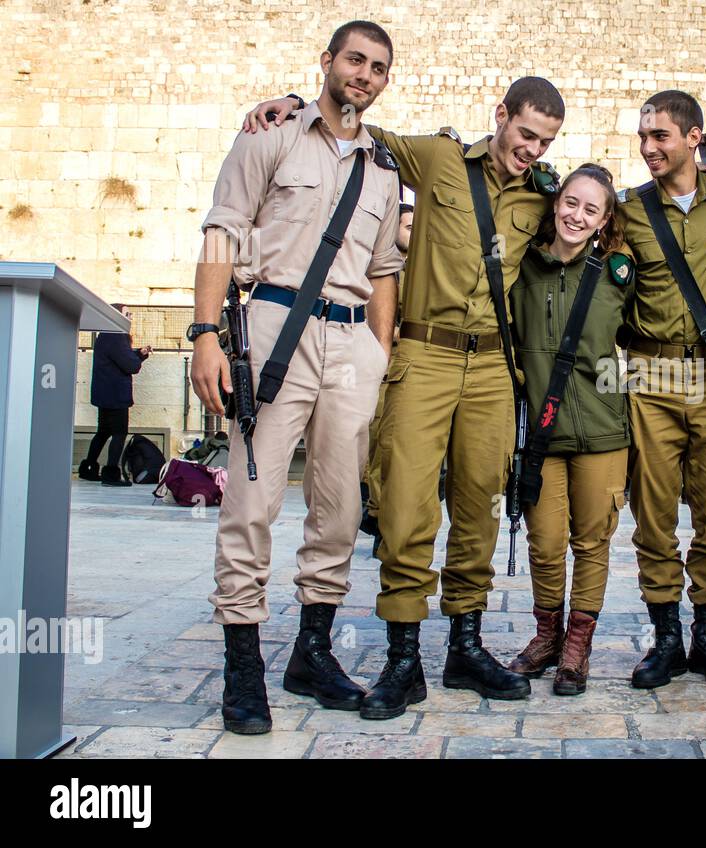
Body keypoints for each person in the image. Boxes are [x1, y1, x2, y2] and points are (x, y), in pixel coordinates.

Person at [246, 76, 565, 713]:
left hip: (494, 370)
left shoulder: (541, 196)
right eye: (526, 133)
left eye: (546, 141)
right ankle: (402, 659)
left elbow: (594, 221)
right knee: (406, 506)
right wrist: (293, 105)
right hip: (423, 355)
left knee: (478, 505)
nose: (532, 148)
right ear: (500, 115)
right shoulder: (439, 158)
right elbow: (358, 128)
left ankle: (465, 649)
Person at [192, 20, 403, 735]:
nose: (364, 75)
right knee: (250, 504)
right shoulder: (270, 132)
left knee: (339, 509)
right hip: (274, 324)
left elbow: (382, 271)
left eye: (377, 67)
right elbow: (222, 230)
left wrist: (379, 351)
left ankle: (312, 653)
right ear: (327, 63)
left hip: (350, 343)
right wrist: (203, 338)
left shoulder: (383, 168)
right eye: (354, 60)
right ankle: (243, 667)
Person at [616, 90, 706, 689]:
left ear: (694, 138)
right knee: (652, 516)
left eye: (661, 136)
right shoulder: (628, 211)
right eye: (644, 136)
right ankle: (665, 637)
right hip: (651, 374)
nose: (649, 147)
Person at [506, 164, 634, 695]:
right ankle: (545, 636)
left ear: (604, 221)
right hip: (542, 433)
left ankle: (576, 648)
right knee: (545, 541)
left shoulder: (617, 274)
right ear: (555, 203)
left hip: (603, 431)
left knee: (593, 541)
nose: (576, 216)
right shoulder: (522, 270)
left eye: (590, 209)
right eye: (570, 203)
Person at [359, 201, 414, 545]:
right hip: (380, 371)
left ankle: (384, 516)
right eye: (408, 225)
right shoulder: (379, 270)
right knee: (379, 446)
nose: (415, 230)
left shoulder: (417, 269)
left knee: (396, 450)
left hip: (408, 370)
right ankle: (377, 516)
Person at [79, 304, 151, 487]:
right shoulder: (117, 336)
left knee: (103, 432)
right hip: (115, 395)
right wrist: (140, 357)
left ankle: (89, 468)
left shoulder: (105, 334)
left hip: (104, 394)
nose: (130, 318)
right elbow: (130, 365)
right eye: (127, 314)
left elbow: (120, 358)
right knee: (119, 433)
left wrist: (137, 354)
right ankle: (110, 474)